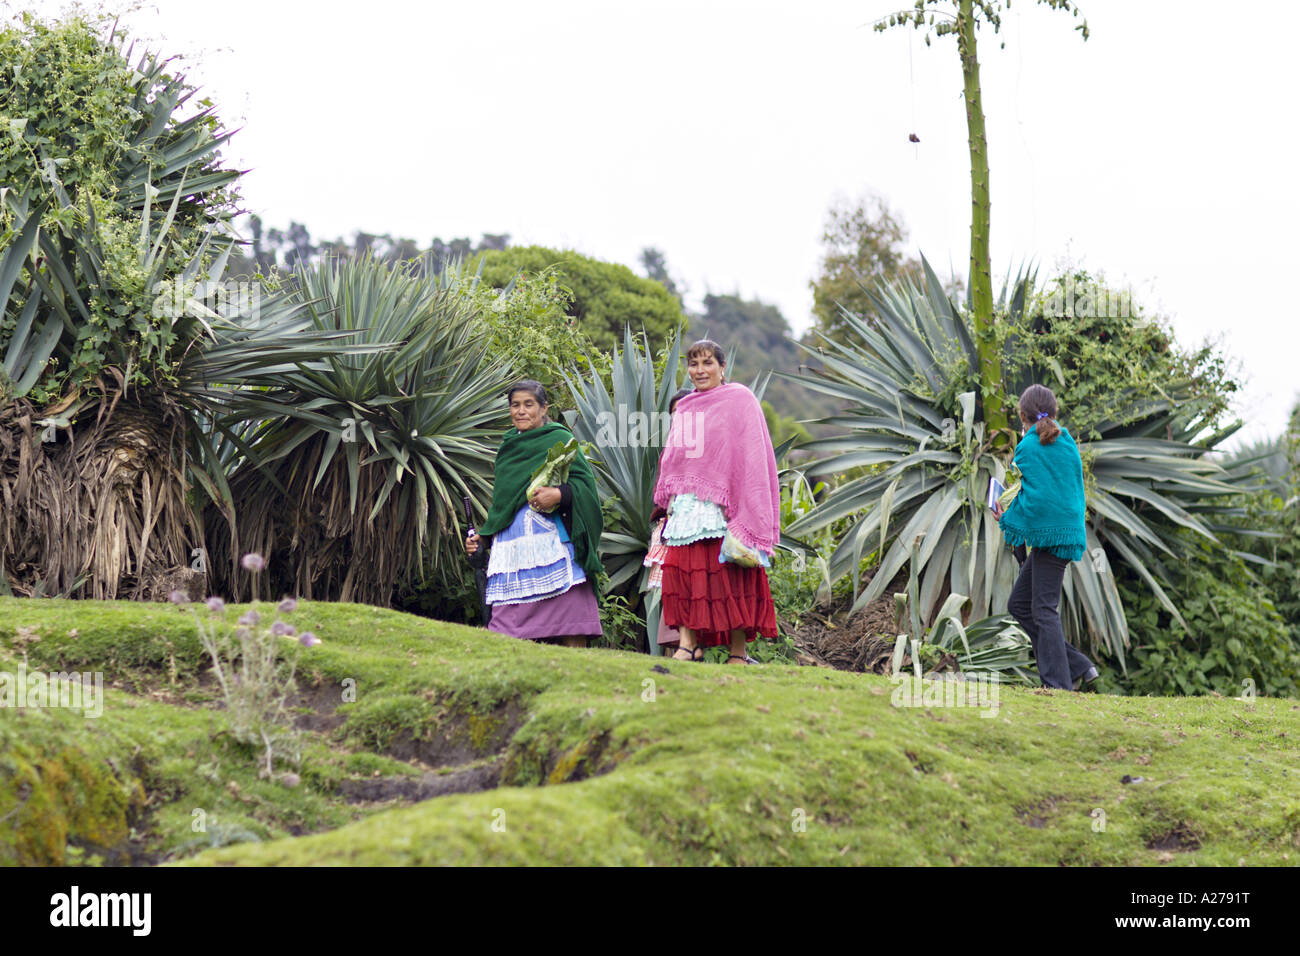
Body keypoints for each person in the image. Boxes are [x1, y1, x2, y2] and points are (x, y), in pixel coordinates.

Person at [653, 340, 780, 664]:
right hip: (688, 507)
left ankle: (738, 653)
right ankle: (687, 644)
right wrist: (671, 495)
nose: (699, 370)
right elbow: (677, 457)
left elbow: (751, 454)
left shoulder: (740, 400)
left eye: (707, 363)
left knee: (729, 577)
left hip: (725, 508)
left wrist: (739, 501)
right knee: (682, 572)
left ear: (723, 368)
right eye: (693, 364)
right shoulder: (686, 408)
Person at [465, 381, 604, 647]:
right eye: (515, 405)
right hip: (511, 550)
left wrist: (560, 494)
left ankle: (581, 677)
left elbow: (586, 489)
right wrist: (482, 539)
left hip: (552, 545)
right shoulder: (507, 449)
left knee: (569, 618)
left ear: (543, 409)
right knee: (506, 629)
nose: (521, 411)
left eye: (529, 404)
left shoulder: (560, 439)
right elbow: (502, 506)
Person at [995, 383, 1098, 690]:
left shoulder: (1027, 446)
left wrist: (1007, 516)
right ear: (1055, 412)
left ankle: (1058, 685)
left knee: (1042, 609)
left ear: (1021, 416)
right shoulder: (1067, 442)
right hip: (1064, 534)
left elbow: (1035, 500)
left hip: (1054, 537)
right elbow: (1051, 494)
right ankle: (1079, 666)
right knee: (1020, 605)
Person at [644, 387, 693, 655]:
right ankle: (678, 650)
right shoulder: (671, 450)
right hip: (671, 528)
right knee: (670, 589)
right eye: (675, 413)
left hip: (700, 528)